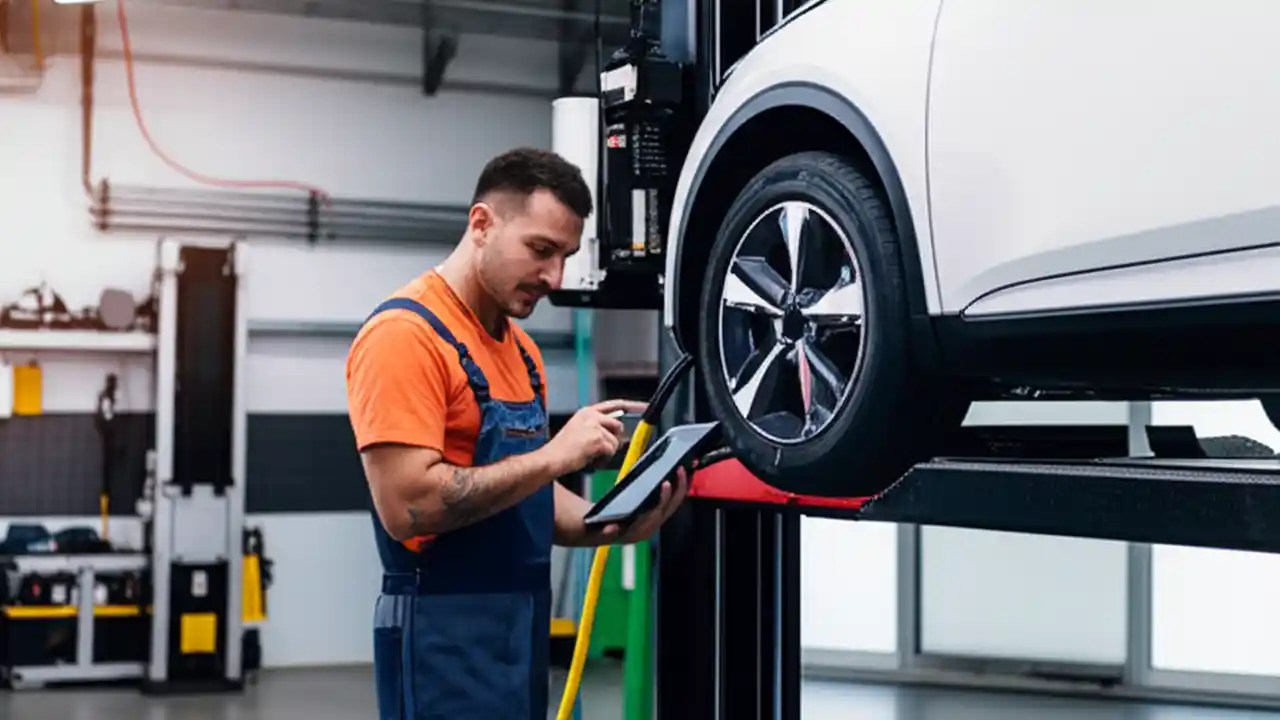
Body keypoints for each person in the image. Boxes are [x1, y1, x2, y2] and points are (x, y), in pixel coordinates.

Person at [345, 147, 689, 720]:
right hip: (439, 642)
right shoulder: (404, 337)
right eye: (541, 250)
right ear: (482, 224)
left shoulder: (523, 352)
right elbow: (408, 507)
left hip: (518, 636)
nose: (554, 278)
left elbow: (526, 497)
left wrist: (612, 523)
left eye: (565, 257)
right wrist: (555, 456)